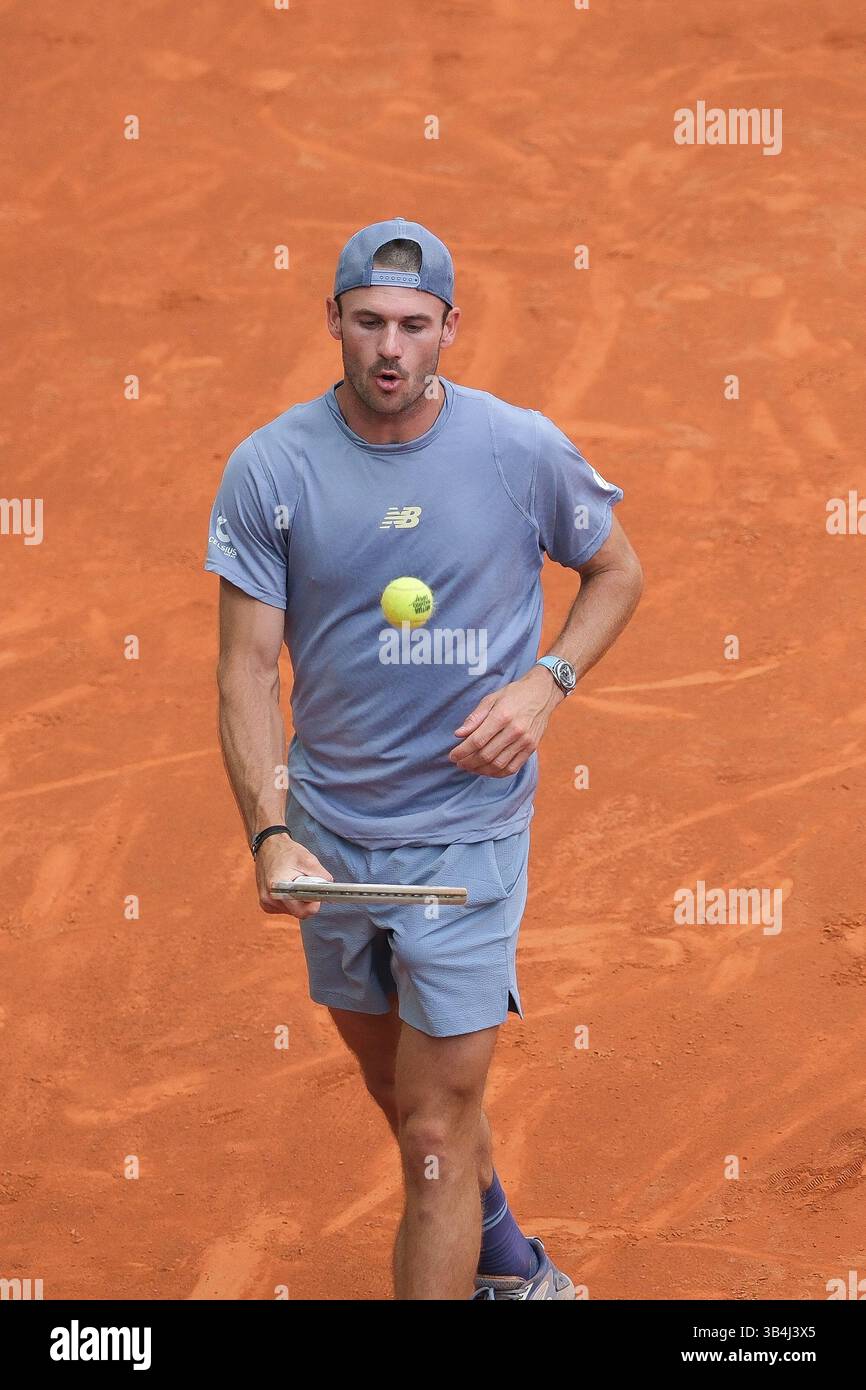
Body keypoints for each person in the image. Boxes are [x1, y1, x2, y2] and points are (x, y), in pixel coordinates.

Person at [204, 217, 643, 1300]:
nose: (388, 348)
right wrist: (271, 829)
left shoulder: (517, 449)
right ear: (333, 323)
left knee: (433, 1128)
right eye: (366, 323)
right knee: (405, 1097)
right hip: (333, 840)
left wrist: (545, 684)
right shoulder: (270, 468)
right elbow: (246, 672)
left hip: (465, 840)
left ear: (450, 328)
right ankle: (513, 1268)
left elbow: (616, 572)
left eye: (412, 325)